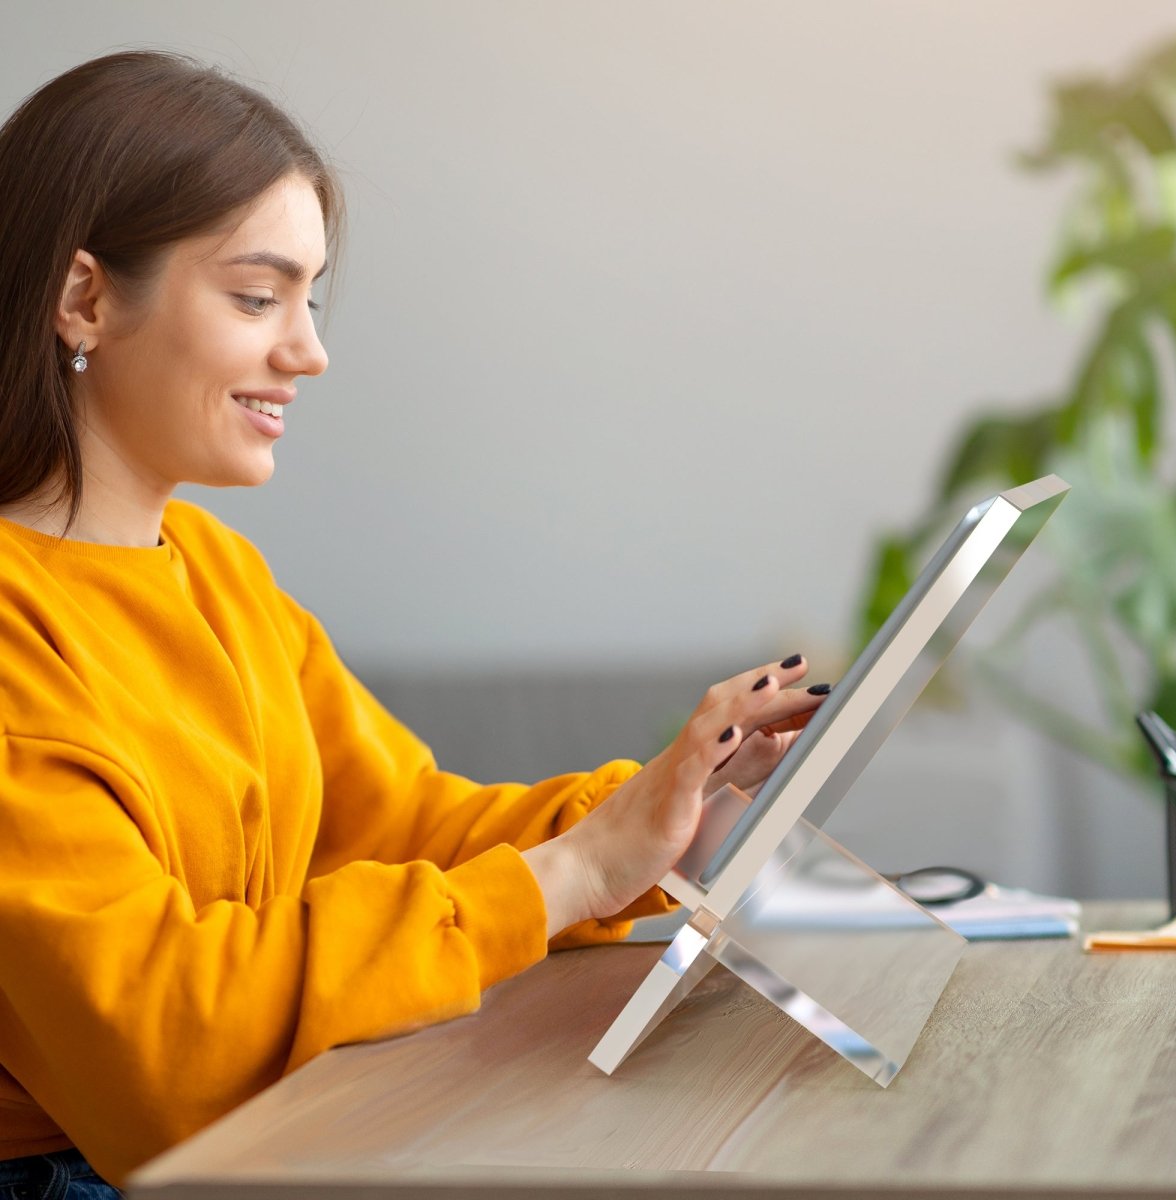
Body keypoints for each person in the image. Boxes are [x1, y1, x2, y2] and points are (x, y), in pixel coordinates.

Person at [0, 51, 825, 1197]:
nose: (309, 352)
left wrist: (660, 805)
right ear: (84, 298)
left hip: (261, 1139)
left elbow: (406, 827)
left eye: (311, 299)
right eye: (255, 296)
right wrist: (571, 873)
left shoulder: (217, 573)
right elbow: (157, 1041)